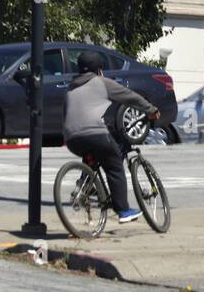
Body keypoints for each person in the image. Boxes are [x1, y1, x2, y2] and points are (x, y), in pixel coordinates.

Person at [62, 51, 160, 223]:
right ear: (99, 70)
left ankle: (88, 184)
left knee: (95, 150)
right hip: (94, 133)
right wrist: (151, 111)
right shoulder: (101, 82)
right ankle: (123, 210)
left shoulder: (71, 88)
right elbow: (129, 97)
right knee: (114, 163)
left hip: (71, 138)